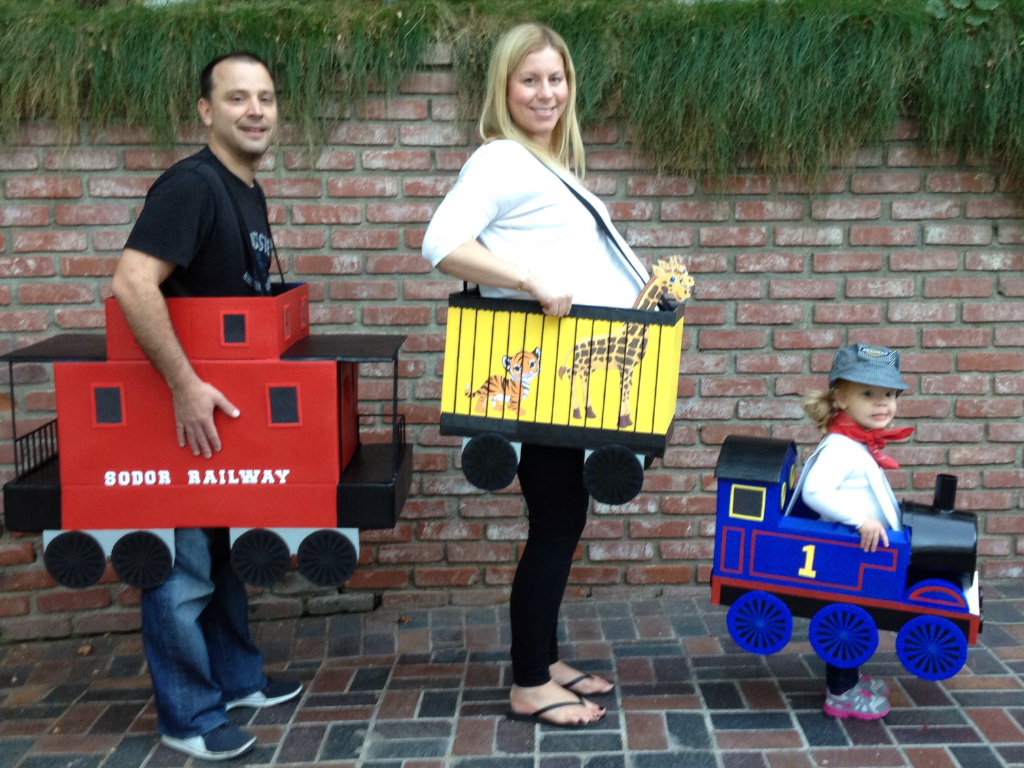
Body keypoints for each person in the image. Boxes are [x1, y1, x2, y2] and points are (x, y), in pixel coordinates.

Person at [421, 23, 651, 728]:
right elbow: (440, 244)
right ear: (504, 87)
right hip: (545, 376)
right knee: (556, 520)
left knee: (560, 516)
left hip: (569, 376)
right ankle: (528, 682)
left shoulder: (544, 162)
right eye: (530, 80)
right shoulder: (500, 162)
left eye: (556, 79)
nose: (545, 92)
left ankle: (543, 657)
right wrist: (527, 277)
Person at [110, 52, 301, 761]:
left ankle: (235, 679)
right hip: (181, 416)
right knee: (182, 565)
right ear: (205, 111)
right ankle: (187, 716)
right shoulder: (190, 186)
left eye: (266, 98)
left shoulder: (245, 188)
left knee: (219, 556)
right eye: (237, 98)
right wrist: (186, 385)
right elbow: (133, 283)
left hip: (221, 419)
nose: (255, 110)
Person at [794, 343, 915, 720]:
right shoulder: (840, 448)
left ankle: (848, 681)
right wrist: (859, 519)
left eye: (890, 395)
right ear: (840, 398)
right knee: (848, 622)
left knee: (855, 620)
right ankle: (842, 693)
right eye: (868, 393)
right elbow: (815, 490)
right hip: (845, 557)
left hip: (861, 554)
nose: (883, 404)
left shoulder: (856, 442)